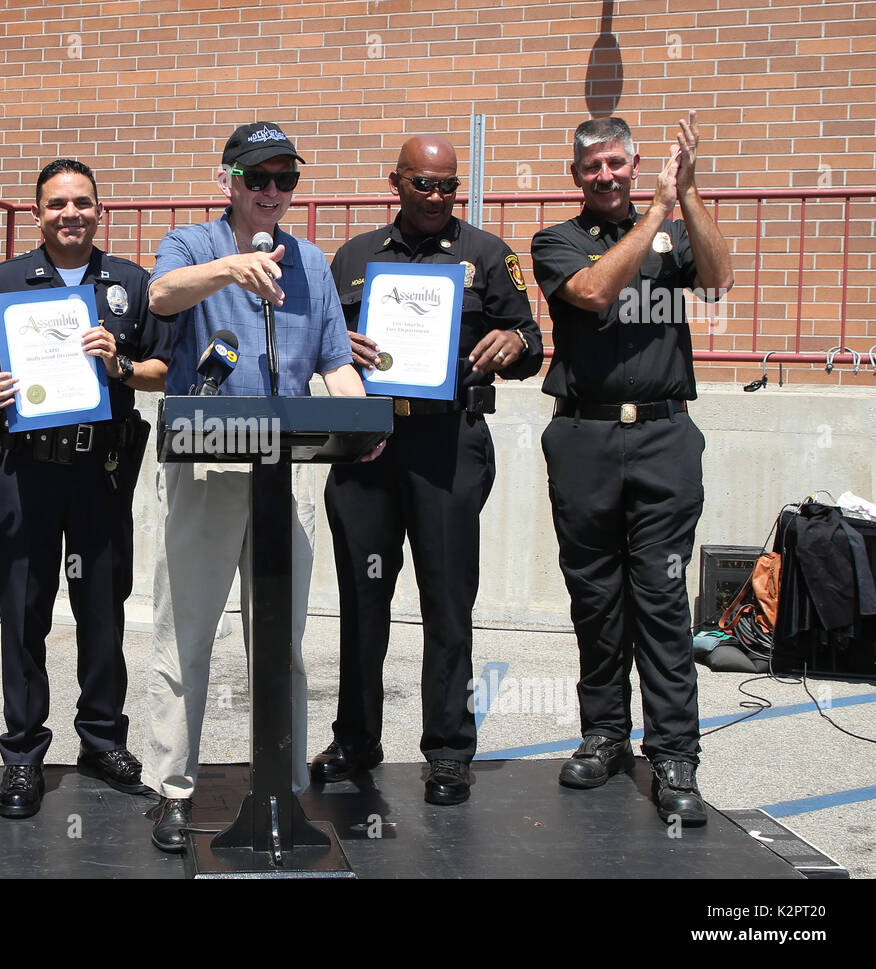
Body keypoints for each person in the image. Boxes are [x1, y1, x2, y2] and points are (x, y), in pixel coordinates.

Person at [141, 122, 375, 853]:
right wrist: (231, 270)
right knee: (187, 634)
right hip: (208, 463)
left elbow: (334, 361)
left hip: (288, 471)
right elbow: (161, 296)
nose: (274, 191)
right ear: (230, 181)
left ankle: (283, 781)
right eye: (259, 177)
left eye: (286, 179)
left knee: (285, 642)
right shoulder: (191, 244)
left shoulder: (311, 262)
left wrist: (364, 416)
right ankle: (173, 788)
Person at [313, 135, 543, 805]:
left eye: (449, 187)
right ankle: (355, 737)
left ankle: (447, 748)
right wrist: (340, 345)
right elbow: (317, 349)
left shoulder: (488, 254)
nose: (439, 197)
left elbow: (529, 341)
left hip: (448, 444)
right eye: (425, 185)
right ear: (397, 183)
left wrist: (514, 341)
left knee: (447, 603)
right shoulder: (354, 258)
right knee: (363, 598)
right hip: (367, 445)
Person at [0, 159, 171, 819]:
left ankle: (103, 740)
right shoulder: (6, 280)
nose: (70, 213)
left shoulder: (129, 282)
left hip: (100, 471)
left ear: (98, 209)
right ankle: (22, 755)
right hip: (26, 469)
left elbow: (165, 368)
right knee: (23, 613)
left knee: (103, 608)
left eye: (82, 202)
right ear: (39, 212)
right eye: (56, 204)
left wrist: (121, 364)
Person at [530, 113, 733, 825]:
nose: (608, 176)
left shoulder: (674, 228)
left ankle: (675, 753)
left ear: (636, 162)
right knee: (596, 598)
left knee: (661, 600)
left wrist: (692, 194)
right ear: (577, 175)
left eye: (619, 164)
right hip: (584, 438)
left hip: (663, 438)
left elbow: (719, 277)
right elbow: (591, 293)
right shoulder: (557, 241)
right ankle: (606, 734)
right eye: (595, 168)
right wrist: (656, 212)